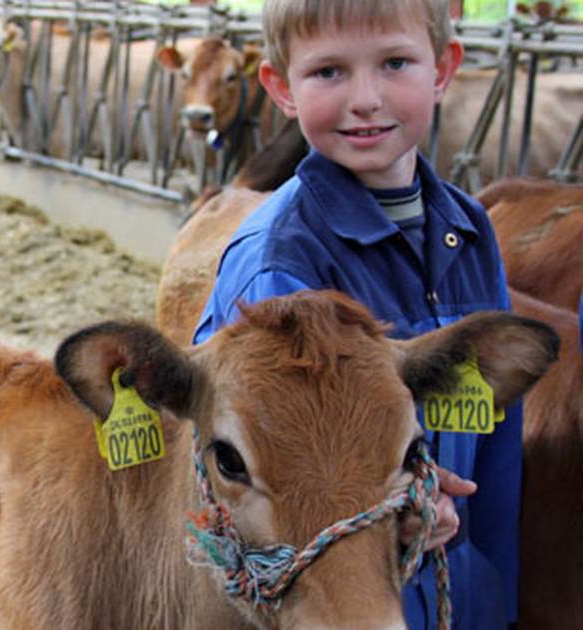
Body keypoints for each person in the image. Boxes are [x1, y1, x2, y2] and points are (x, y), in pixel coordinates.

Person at [192, 1, 518, 627]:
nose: (365, 98)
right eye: (329, 72)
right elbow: (235, 472)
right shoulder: (278, 260)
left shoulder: (470, 228)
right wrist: (399, 514)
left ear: (443, 69)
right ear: (281, 87)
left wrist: (494, 588)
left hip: (462, 592)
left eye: (394, 62)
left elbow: (498, 449)